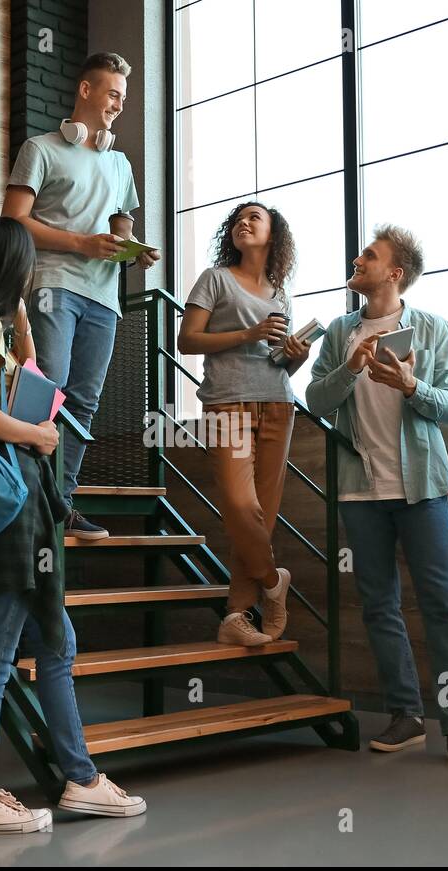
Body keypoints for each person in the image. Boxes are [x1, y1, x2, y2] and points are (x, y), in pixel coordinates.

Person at [0, 217, 146, 835]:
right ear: (9, 265)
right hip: (7, 508)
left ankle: (80, 780)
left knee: (56, 642)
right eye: (26, 263)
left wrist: (23, 319)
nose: (32, 274)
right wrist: (37, 434)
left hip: (10, 506)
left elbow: (34, 381)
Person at [305, 225, 448, 773]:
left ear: (395, 273)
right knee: (379, 605)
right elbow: (315, 400)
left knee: (443, 606)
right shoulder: (341, 330)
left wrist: (411, 386)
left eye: (370, 255)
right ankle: (406, 715)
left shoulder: (432, 330)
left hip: (424, 488)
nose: (357, 259)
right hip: (360, 491)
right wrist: (351, 368)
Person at [1, 52, 159, 540]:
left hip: (103, 298)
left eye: (124, 98)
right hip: (54, 285)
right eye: (112, 93)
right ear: (86, 91)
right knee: (48, 388)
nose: (118, 105)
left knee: (84, 402)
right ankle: (25, 494)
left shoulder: (120, 163)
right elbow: (13, 220)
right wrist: (79, 244)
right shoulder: (40, 149)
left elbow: (120, 225)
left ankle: (59, 502)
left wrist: (132, 252)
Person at [178, 202, 310, 645]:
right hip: (226, 404)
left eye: (255, 217)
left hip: (278, 403)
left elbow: (274, 364)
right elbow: (187, 339)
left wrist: (295, 358)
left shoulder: (279, 293)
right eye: (239, 218)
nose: (244, 223)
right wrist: (248, 334)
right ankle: (274, 583)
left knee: (262, 515)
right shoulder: (215, 278)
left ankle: (235, 615)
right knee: (239, 505)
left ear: (274, 233)